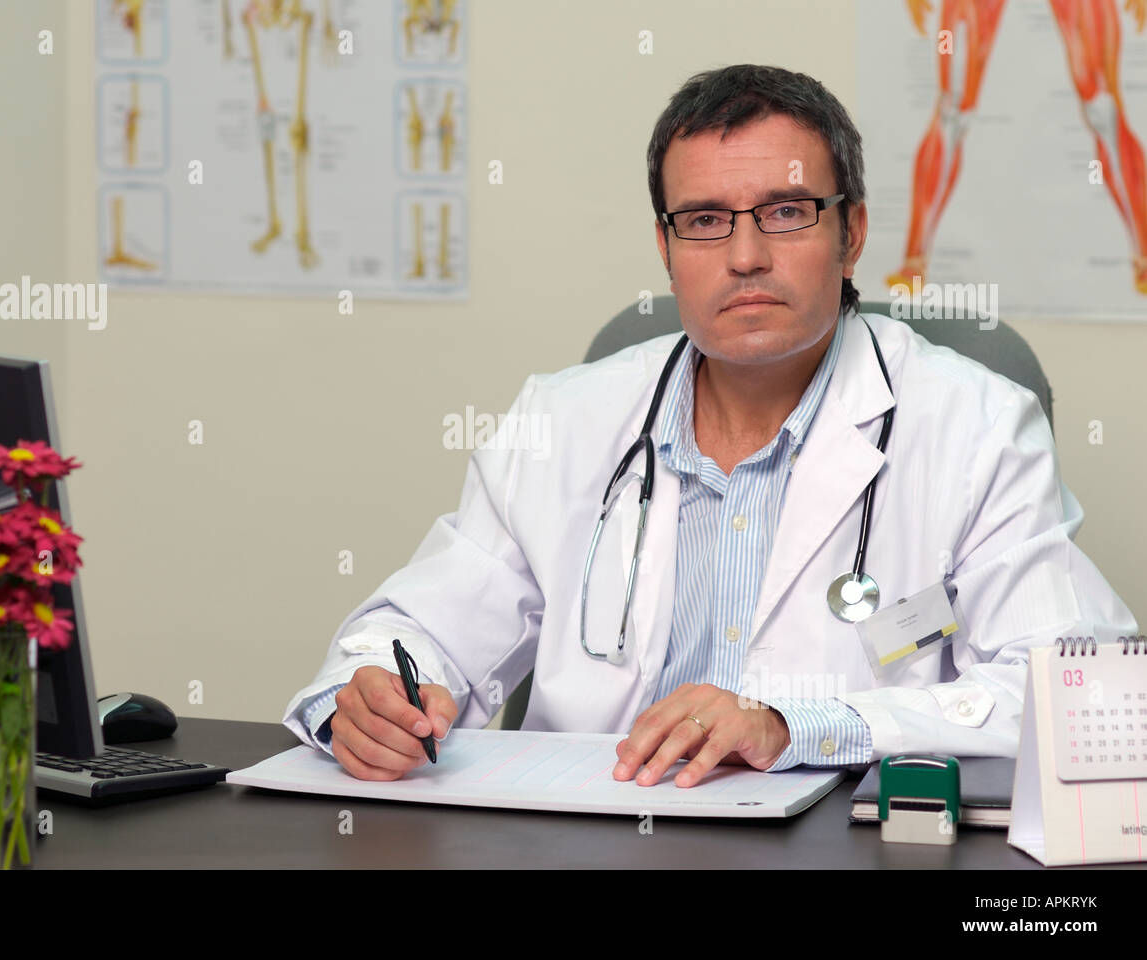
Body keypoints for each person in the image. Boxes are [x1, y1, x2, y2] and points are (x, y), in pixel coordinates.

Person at [283, 64, 1138, 786]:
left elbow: (1077, 690)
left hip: (839, 842)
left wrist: (793, 725)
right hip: (583, 834)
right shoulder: (564, 416)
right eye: (704, 220)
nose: (744, 256)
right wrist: (371, 699)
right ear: (666, 249)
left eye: (786, 210)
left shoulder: (977, 425)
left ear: (853, 233)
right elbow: (422, 628)